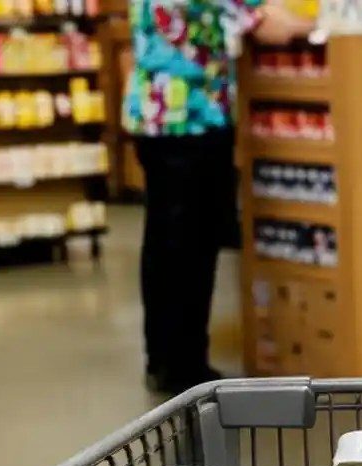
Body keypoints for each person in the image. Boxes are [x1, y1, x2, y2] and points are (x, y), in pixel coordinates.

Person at [125, 0, 310, 394]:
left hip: (160, 112)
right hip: (190, 117)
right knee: (189, 246)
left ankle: (165, 358)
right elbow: (264, 22)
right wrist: (315, 28)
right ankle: (183, 366)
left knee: (164, 243)